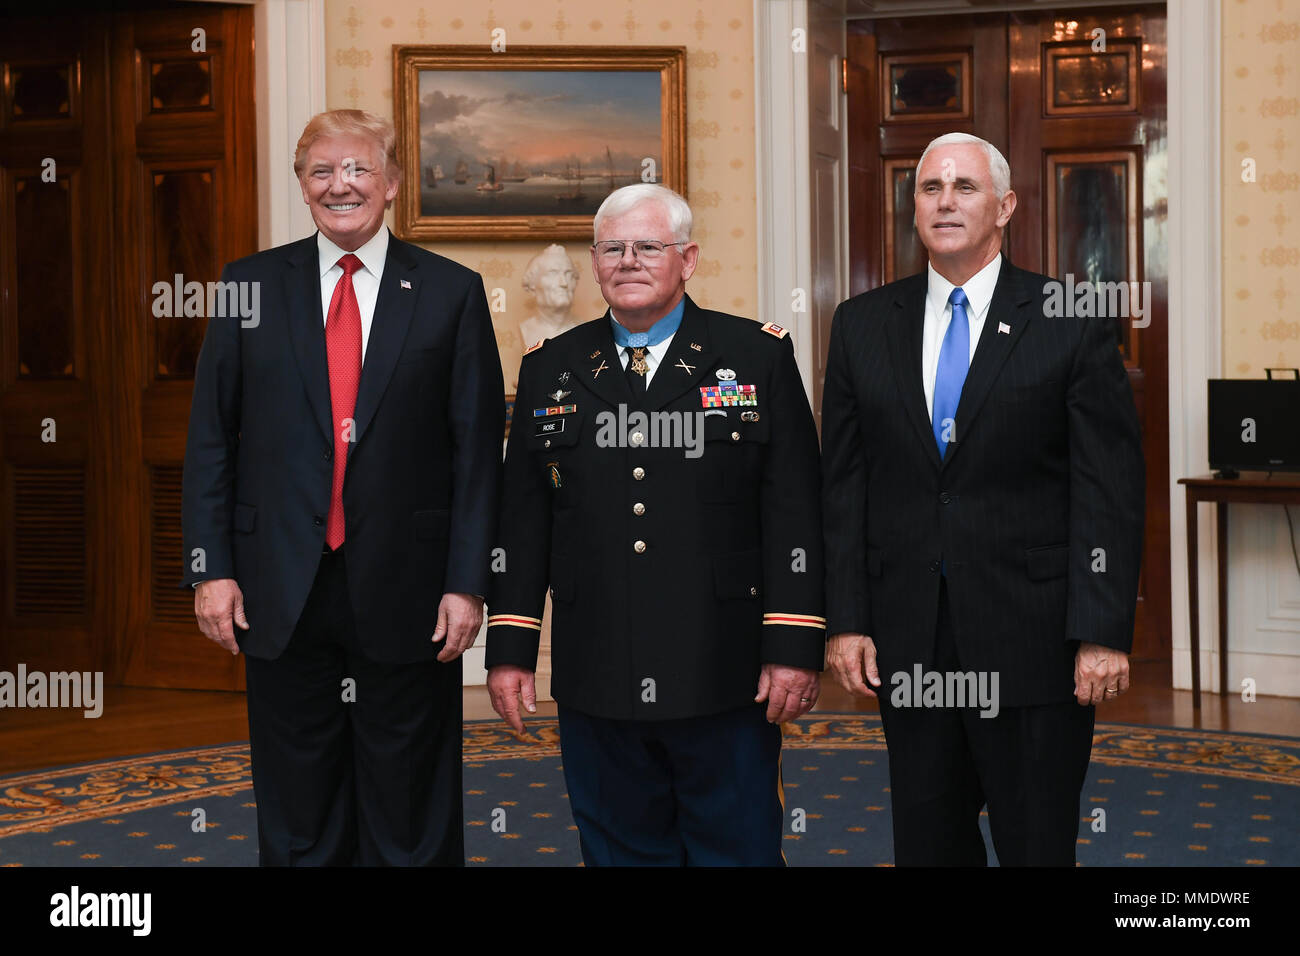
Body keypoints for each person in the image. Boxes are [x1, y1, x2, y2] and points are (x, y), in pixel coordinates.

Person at [181, 108, 502, 866]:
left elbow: (477, 455)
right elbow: (210, 440)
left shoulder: (452, 291)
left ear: (391, 183)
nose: (340, 184)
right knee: (298, 802)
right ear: (301, 186)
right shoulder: (247, 285)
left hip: (410, 585)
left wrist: (468, 582)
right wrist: (211, 569)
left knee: (410, 802)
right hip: (278, 584)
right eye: (321, 171)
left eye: (358, 168)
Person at [821, 132, 1144, 866]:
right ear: (914, 208)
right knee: (929, 844)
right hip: (910, 638)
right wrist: (847, 619)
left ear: (1005, 207)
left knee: (1037, 844)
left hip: (1035, 640)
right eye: (930, 188)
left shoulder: (1068, 315)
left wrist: (1102, 631)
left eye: (964, 187)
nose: (945, 202)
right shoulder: (862, 323)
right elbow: (843, 486)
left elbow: (1109, 487)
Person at [486, 183, 825, 866]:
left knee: (736, 849)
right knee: (618, 850)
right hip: (597, 667)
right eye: (612, 248)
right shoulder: (551, 367)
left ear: (688, 259)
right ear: (595, 262)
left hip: (723, 665)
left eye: (648, 246)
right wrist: (512, 647)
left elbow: (795, 509)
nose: (628, 261)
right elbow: (523, 521)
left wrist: (793, 642)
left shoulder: (754, 356)